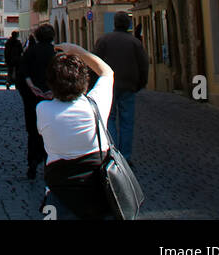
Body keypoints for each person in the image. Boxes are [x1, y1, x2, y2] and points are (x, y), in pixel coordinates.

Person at [35, 41, 115, 219]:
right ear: (84, 81)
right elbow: (107, 72)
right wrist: (78, 51)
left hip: (59, 195)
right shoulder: (95, 105)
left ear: (51, 83)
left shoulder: (42, 110)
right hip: (97, 193)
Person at [94, 12, 148, 161]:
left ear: (115, 23)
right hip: (128, 85)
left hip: (108, 85)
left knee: (109, 118)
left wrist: (94, 84)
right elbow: (143, 65)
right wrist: (140, 83)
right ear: (128, 25)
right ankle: (125, 156)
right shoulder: (134, 42)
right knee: (127, 121)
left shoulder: (104, 40)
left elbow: (94, 62)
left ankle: (112, 153)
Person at [17, 23, 56, 178]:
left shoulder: (30, 52)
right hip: (52, 99)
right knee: (51, 132)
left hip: (32, 99)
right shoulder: (55, 53)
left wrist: (29, 92)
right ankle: (49, 162)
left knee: (33, 132)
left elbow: (21, 76)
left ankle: (32, 162)